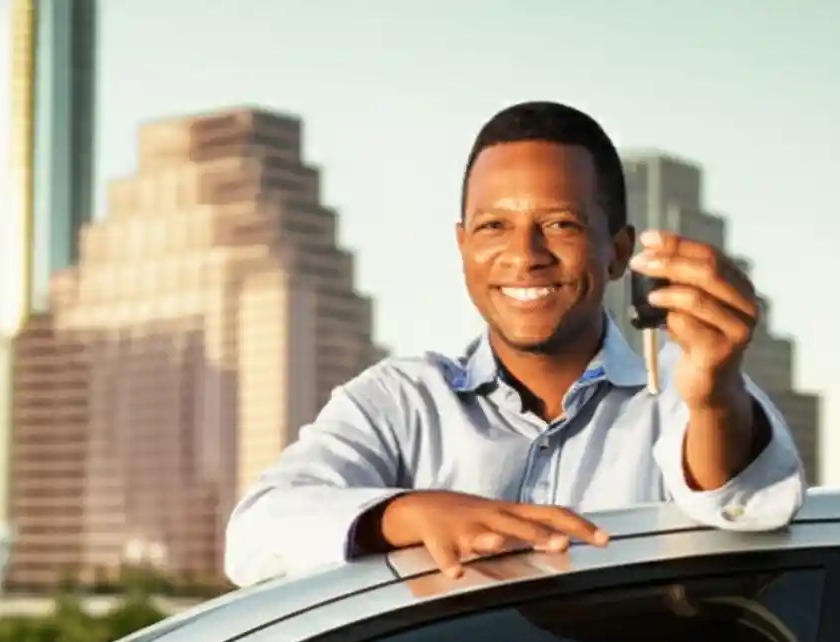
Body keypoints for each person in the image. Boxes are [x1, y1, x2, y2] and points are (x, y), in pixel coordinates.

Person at [225, 100, 807, 589]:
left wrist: (716, 398)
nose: (525, 255)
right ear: (462, 246)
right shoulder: (400, 402)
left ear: (619, 252)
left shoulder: (684, 387)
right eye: (493, 227)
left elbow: (752, 507)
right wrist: (414, 512)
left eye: (561, 225)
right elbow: (255, 535)